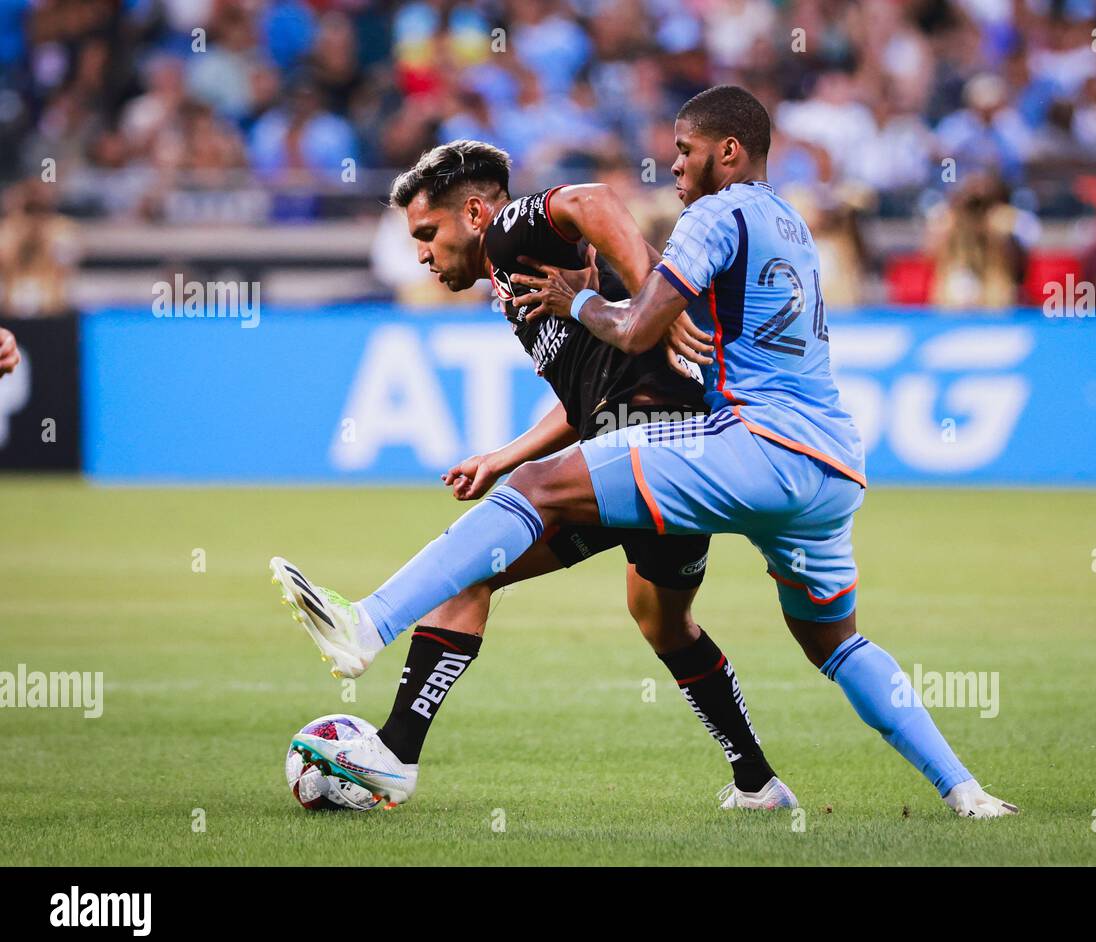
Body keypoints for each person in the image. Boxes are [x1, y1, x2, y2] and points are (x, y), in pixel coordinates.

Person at [275, 86, 1017, 818]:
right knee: (783, 637)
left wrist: (617, 303)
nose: (675, 171)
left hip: (723, 447)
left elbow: (596, 211)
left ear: (728, 153)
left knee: (522, 509)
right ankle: (947, 791)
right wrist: (508, 447)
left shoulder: (567, 228)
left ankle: (368, 622)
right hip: (830, 468)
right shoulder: (788, 220)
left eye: (685, 153)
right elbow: (596, 389)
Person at [273, 139, 795, 810]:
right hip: (647, 446)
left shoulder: (513, 230)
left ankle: (373, 651)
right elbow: (585, 397)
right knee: (661, 621)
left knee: (477, 557)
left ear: (474, 212)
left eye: (428, 233)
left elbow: (593, 199)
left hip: (655, 441)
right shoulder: (515, 284)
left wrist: (654, 302)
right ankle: (757, 784)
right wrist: (505, 454)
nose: (422, 254)